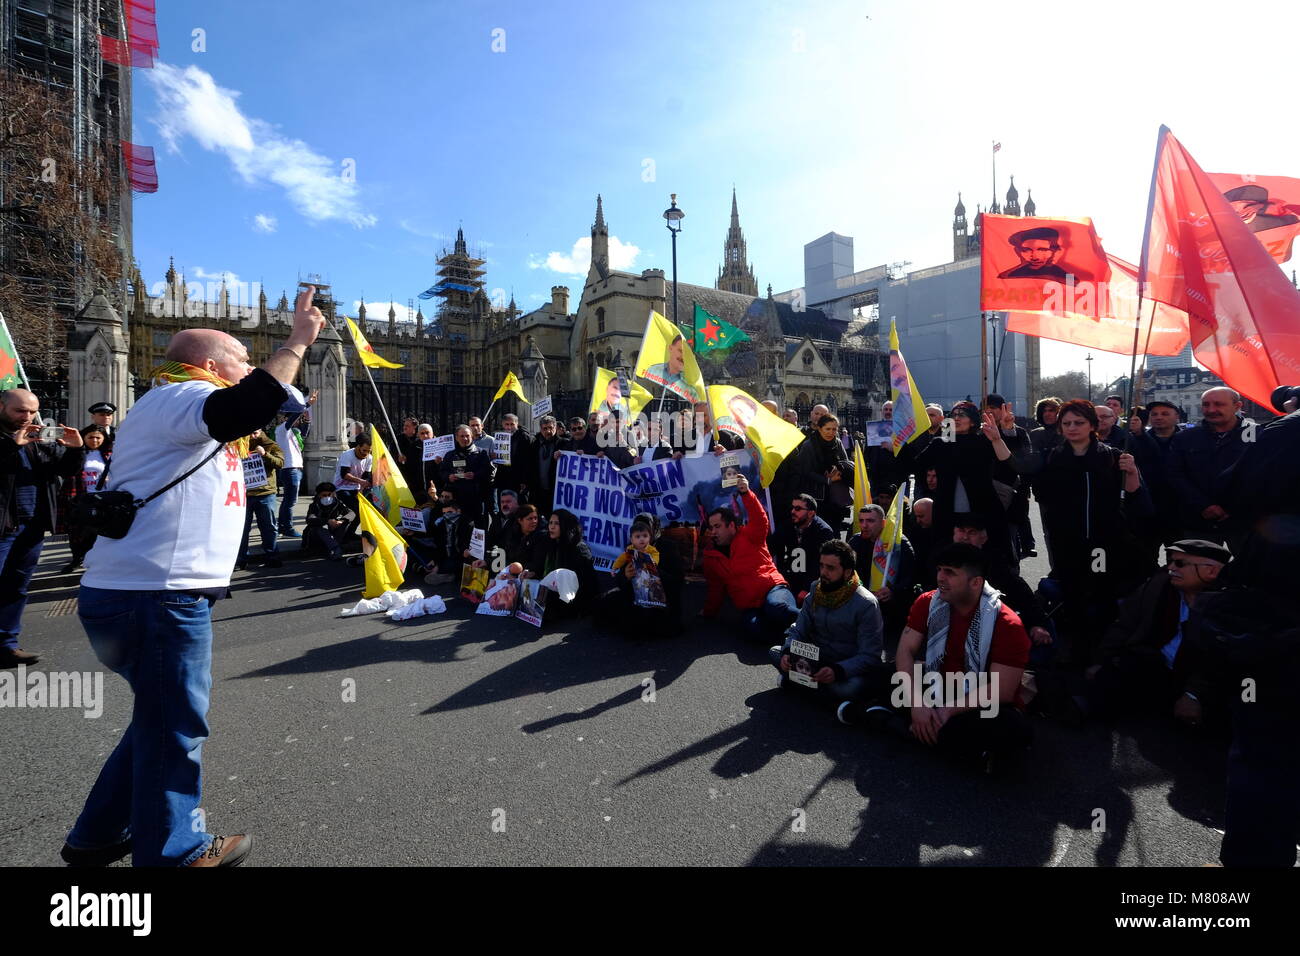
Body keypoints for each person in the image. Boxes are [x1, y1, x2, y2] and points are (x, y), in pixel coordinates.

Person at [64, 284, 326, 867]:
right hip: (157, 595)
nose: (252, 367)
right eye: (241, 358)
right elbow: (248, 404)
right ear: (210, 366)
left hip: (142, 593)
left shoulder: (173, 407)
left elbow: (259, 413)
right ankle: (173, 854)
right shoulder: (180, 395)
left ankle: (97, 835)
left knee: (156, 721)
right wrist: (298, 342)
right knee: (174, 727)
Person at [890, 543, 1033, 774]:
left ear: (975, 582)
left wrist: (946, 711)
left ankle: (898, 725)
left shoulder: (1006, 623)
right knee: (888, 675)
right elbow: (904, 650)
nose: (940, 578)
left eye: (950, 572)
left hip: (977, 698)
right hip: (940, 683)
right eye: (939, 570)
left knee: (1013, 728)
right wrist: (917, 703)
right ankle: (963, 750)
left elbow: (1002, 689)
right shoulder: (928, 601)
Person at [1034, 399, 1148, 664]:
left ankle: (1103, 652)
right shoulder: (1053, 457)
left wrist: (1131, 471)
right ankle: (1074, 651)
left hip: (1103, 542)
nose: (1073, 428)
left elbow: (1135, 496)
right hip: (1067, 541)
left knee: (1102, 594)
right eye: (1067, 423)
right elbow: (1041, 492)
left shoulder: (1112, 455)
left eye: (1079, 422)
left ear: (1093, 426)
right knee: (1072, 595)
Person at [1084, 539, 1230, 726]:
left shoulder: (1228, 604)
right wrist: (1100, 661)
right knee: (1106, 683)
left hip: (1196, 678)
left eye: (1180, 563)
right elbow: (1125, 623)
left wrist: (1193, 694)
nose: (1171, 567)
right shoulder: (1160, 584)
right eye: (1170, 561)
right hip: (1156, 663)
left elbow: (1219, 662)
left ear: (1212, 571)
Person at [0, 389, 85, 666]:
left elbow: (65, 469)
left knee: (16, 588)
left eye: (31, 411)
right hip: (3, 528)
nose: (26, 417)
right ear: (1, 407)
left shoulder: (38, 439)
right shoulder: (10, 439)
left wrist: (75, 449)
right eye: (19, 411)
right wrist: (12, 446)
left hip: (32, 526)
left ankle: (6, 645)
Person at [772, 539, 890, 724]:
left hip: (844, 668)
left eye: (831, 568)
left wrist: (838, 671)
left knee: (850, 688)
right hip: (816, 661)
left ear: (847, 572)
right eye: (821, 566)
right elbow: (798, 629)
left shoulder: (866, 604)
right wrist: (788, 652)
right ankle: (826, 698)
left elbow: (870, 655)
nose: (823, 573)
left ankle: (800, 685)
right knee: (775, 653)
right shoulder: (816, 589)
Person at [913, 402, 1017, 564]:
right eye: (953, 415)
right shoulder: (941, 443)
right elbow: (917, 465)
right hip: (947, 513)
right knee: (948, 559)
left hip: (982, 510)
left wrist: (1005, 432)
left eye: (962, 415)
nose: (956, 418)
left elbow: (1007, 461)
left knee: (989, 558)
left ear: (973, 421)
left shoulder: (984, 440)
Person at [700, 473, 796, 643]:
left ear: (731, 525)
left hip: (773, 590)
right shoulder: (710, 557)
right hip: (749, 606)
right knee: (754, 628)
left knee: (776, 608)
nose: (713, 531)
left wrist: (746, 493)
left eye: (717, 526)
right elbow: (716, 589)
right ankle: (790, 642)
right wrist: (708, 613)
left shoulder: (750, 535)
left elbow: (760, 519)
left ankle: (821, 625)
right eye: (711, 527)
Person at [1166, 387, 1248, 540]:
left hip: (1244, 520)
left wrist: (1232, 507)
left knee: (1250, 564)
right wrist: (1203, 505)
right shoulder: (1184, 438)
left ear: (1237, 406)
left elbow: (1263, 476)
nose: (1211, 409)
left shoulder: (1258, 436)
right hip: (1198, 519)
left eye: (1219, 404)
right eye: (1206, 404)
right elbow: (1175, 475)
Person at [849, 504, 916, 654]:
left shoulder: (900, 544)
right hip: (862, 599)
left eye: (870, 521)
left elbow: (910, 578)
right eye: (861, 520)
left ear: (883, 523)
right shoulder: (855, 542)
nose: (864, 525)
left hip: (890, 606)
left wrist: (893, 591)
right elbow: (848, 571)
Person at [785, 414, 853, 531]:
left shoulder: (837, 442)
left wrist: (838, 471)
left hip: (835, 495)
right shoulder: (809, 445)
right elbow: (805, 471)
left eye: (834, 429)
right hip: (815, 495)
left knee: (834, 528)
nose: (831, 432)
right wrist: (827, 480)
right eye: (827, 429)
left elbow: (844, 462)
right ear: (820, 428)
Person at [61, 425, 112, 574]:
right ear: (83, 437)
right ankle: (77, 559)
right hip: (80, 497)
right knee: (77, 533)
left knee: (100, 533)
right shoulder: (77, 452)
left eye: (98, 437)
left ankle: (99, 562)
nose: (94, 440)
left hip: (103, 498)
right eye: (91, 437)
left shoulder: (109, 454)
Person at [538, 509, 600, 623]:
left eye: (556, 523)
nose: (551, 527)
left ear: (565, 525)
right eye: (550, 523)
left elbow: (586, 582)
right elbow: (542, 567)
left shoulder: (578, 548)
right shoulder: (551, 543)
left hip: (575, 597)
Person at [770, 493, 835, 600]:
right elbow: (771, 548)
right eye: (792, 507)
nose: (792, 512)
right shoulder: (787, 526)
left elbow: (822, 564)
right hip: (787, 580)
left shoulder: (824, 532)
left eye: (798, 508)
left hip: (812, 584)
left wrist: (807, 588)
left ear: (811, 513)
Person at [236, 428, 284, 571]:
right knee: (242, 529)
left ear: (261, 431)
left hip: (265, 493)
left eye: (255, 432)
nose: (252, 435)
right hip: (244, 494)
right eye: (249, 432)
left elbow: (280, 463)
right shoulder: (239, 446)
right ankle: (241, 559)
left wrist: (265, 454)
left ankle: (272, 557)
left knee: (269, 527)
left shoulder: (271, 445)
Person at [274, 390, 315, 535]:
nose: (298, 422)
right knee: (290, 501)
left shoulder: (293, 433)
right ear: (287, 419)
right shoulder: (282, 430)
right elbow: (293, 419)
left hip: (296, 468)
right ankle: (287, 527)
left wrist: (307, 417)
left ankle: (282, 526)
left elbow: (304, 433)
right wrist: (307, 404)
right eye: (296, 419)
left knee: (290, 500)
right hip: (289, 468)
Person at [996, 226, 1095, 282]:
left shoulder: (1067, 278)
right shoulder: (1006, 277)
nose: (1034, 257)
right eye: (1027, 250)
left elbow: (1074, 289)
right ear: (1018, 252)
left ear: (1054, 251)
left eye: (1042, 250)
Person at [437, 424, 493, 522]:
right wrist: (449, 476)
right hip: (456, 499)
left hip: (476, 497)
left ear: (471, 436)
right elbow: (442, 471)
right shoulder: (450, 455)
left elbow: (487, 471)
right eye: (462, 436)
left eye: (467, 436)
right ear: (457, 437)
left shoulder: (481, 453)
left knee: (477, 527)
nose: (465, 438)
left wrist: (475, 475)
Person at [610, 520, 668, 609]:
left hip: (650, 578)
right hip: (635, 582)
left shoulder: (652, 550)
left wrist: (653, 563)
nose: (642, 539)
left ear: (650, 537)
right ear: (632, 539)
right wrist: (614, 568)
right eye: (638, 536)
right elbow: (621, 559)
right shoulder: (630, 550)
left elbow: (656, 557)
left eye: (645, 536)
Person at [302, 482, 355, 560]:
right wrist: (327, 521)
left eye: (329, 494)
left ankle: (334, 548)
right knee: (320, 527)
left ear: (333, 494)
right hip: (318, 534)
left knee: (345, 523)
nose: (327, 497)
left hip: (333, 530)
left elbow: (351, 513)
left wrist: (342, 520)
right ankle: (336, 548)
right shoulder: (314, 506)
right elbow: (310, 520)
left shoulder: (338, 503)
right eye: (324, 495)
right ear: (319, 495)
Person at [492, 413, 534, 506]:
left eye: (512, 424)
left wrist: (524, 480)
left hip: (517, 479)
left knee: (518, 505)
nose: (509, 427)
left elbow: (527, 460)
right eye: (507, 424)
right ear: (503, 424)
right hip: (503, 477)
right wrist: (495, 457)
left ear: (517, 424)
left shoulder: (524, 437)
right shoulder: (499, 436)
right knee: (504, 505)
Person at [531, 415, 567, 515]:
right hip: (537, 492)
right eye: (545, 429)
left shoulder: (564, 444)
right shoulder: (534, 444)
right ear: (540, 429)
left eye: (551, 428)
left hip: (555, 492)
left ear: (556, 427)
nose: (548, 431)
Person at [335, 435, 373, 514]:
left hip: (356, 489)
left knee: (366, 511)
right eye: (364, 450)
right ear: (358, 446)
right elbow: (344, 474)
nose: (366, 454)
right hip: (342, 488)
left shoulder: (369, 458)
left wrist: (362, 489)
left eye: (369, 451)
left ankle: (348, 524)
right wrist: (360, 481)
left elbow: (366, 476)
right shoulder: (347, 455)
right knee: (357, 510)